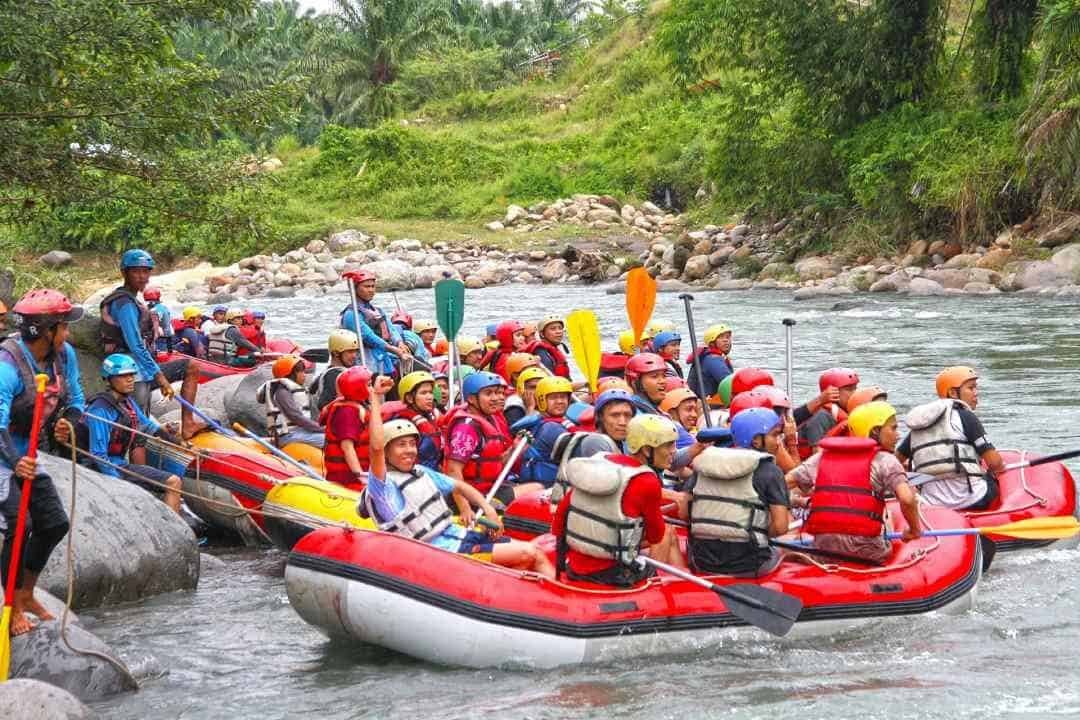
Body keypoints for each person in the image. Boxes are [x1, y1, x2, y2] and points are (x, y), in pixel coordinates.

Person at [362, 376, 555, 578]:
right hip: (441, 552)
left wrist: (488, 510)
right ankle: (561, 601)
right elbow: (375, 447)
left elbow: (460, 487)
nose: (410, 450)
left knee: (526, 558)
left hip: (458, 535)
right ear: (386, 452)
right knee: (532, 553)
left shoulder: (421, 472)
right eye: (401, 445)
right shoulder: (382, 487)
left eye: (412, 444)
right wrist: (375, 398)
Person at [0, 289, 84, 636]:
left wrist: (68, 421)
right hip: (5, 454)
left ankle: (27, 593)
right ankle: (11, 606)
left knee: (53, 523)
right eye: (63, 327)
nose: (68, 333)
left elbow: (76, 399)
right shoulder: (6, 366)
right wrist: (16, 462)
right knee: (20, 522)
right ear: (46, 331)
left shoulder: (65, 357)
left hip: (28, 451)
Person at [550, 414, 687, 586]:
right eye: (668, 445)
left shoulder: (600, 461)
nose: (674, 450)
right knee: (666, 532)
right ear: (646, 450)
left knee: (669, 532)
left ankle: (682, 581)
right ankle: (656, 585)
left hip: (574, 566)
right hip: (614, 574)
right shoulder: (647, 480)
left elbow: (560, 518)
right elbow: (655, 536)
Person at [789, 401, 922, 564]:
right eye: (893, 428)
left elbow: (783, 483)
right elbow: (907, 499)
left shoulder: (822, 458)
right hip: (869, 553)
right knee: (889, 515)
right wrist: (914, 530)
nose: (898, 435)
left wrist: (796, 501)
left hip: (824, 551)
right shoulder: (887, 461)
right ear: (875, 431)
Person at [99, 249, 204, 439]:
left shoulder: (131, 299)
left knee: (192, 366)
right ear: (124, 273)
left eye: (145, 271)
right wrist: (161, 377)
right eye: (136, 271)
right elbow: (135, 345)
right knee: (138, 429)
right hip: (130, 373)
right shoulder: (124, 304)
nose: (142, 276)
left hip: (141, 368)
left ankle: (188, 424)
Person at [685, 407, 790, 576]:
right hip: (751, 563)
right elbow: (780, 527)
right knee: (785, 548)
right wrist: (757, 531)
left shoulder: (704, 464)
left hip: (702, 560)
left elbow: (684, 512)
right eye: (774, 435)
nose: (778, 442)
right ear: (756, 440)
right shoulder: (770, 471)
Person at [77, 354, 183, 514]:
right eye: (123, 376)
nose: (130, 379)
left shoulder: (127, 403)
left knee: (172, 481)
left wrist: (181, 445)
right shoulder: (100, 410)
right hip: (100, 469)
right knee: (173, 482)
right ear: (109, 379)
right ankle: (173, 533)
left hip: (119, 465)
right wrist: (121, 488)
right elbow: (98, 455)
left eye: (132, 375)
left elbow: (150, 427)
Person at [896, 366, 1004, 511]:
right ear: (953, 393)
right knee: (995, 479)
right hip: (972, 499)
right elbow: (995, 463)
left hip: (931, 503)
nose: (976, 393)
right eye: (971, 388)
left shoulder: (918, 427)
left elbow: (895, 462)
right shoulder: (966, 417)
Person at [444, 371, 542, 509]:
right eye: (489, 393)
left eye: (500, 393)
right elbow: (453, 471)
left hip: (490, 488)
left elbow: (496, 462)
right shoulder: (466, 428)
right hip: (472, 495)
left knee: (537, 491)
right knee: (537, 488)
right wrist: (464, 508)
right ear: (472, 399)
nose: (497, 398)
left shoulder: (490, 419)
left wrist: (514, 450)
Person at [339, 270, 410, 377]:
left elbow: (391, 329)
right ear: (355, 288)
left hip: (383, 358)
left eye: (373, 286)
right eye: (366, 287)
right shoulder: (351, 314)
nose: (371, 290)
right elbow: (368, 336)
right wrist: (393, 349)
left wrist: (400, 343)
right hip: (365, 360)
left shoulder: (377, 310)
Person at [320, 365, 372, 490]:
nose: (372, 389)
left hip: (358, 472)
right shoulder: (347, 411)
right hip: (348, 478)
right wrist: (361, 477)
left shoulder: (356, 405)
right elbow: (347, 447)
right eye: (369, 385)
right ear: (358, 389)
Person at [518, 376, 577, 486]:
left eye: (563, 397)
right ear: (541, 400)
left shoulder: (545, 420)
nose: (560, 401)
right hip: (546, 487)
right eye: (553, 398)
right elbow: (582, 452)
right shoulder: (551, 428)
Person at [258, 355, 325, 449]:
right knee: (327, 440)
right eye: (300, 371)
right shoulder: (282, 393)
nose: (304, 374)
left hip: (298, 433)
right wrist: (321, 429)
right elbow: (296, 416)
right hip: (288, 436)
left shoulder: (288, 390)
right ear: (289, 374)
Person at [384, 371, 443, 470]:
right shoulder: (402, 422)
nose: (430, 397)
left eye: (430, 392)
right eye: (423, 393)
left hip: (429, 473)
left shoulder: (431, 417)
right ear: (410, 398)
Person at [793, 367, 859, 456]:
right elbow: (816, 456)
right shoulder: (820, 417)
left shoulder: (848, 411)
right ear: (832, 392)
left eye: (855, 388)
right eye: (849, 389)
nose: (855, 393)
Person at [310, 329, 360, 416]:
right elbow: (323, 405)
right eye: (350, 352)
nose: (354, 355)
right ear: (336, 353)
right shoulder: (333, 376)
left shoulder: (327, 372)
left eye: (356, 351)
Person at [685, 324, 734, 399]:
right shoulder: (713, 360)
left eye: (727, 337)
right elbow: (729, 384)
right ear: (712, 343)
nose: (726, 340)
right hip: (710, 404)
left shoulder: (707, 356)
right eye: (720, 337)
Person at [502, 354, 544, 426]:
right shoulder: (514, 405)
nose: (536, 371)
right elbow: (518, 433)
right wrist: (530, 408)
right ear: (516, 376)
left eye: (537, 368)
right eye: (531, 369)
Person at [144, 286, 174, 353]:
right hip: (166, 338)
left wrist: (152, 343)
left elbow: (155, 329)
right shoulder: (164, 308)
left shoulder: (152, 310)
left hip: (159, 340)